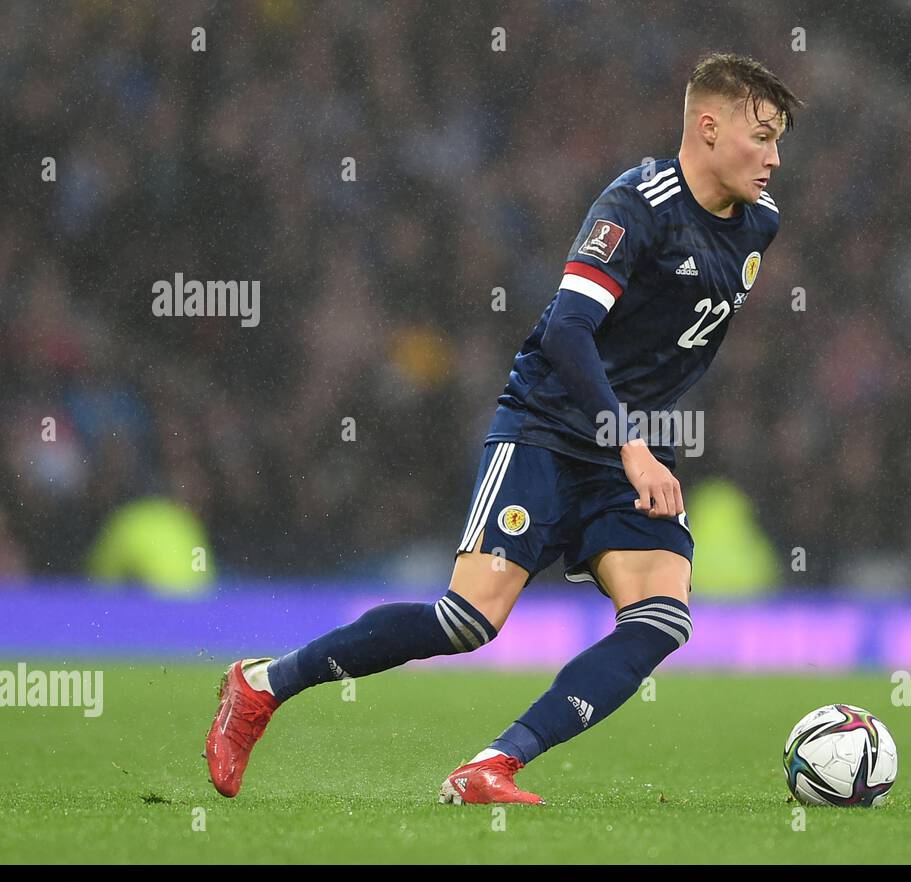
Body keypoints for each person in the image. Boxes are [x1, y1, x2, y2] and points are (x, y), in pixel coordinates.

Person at [205, 51, 800, 804]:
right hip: (550, 426)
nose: (776, 158)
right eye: (763, 136)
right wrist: (631, 441)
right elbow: (567, 333)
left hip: (633, 446)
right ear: (708, 128)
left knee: (659, 620)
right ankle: (259, 685)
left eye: (780, 140)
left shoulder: (760, 225)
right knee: (466, 620)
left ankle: (493, 763)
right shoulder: (636, 206)